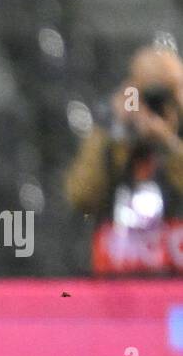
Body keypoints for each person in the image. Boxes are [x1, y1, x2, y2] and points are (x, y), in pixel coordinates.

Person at [66, 43, 183, 274]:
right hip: (117, 287)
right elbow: (81, 196)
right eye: (148, 93)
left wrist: (169, 144)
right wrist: (116, 131)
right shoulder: (113, 140)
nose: (156, 104)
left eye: (166, 93)